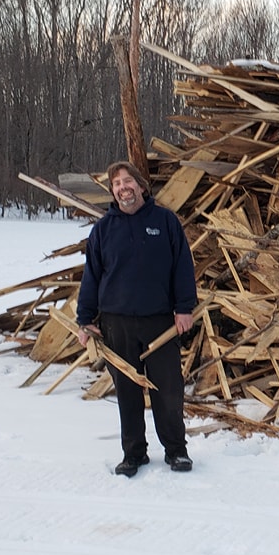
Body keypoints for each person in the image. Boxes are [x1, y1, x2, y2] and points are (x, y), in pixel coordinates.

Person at [75, 161, 198, 477]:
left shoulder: (165, 222)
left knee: (167, 390)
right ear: (113, 193)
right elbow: (91, 277)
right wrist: (85, 319)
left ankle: (176, 451)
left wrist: (184, 308)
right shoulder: (103, 230)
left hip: (160, 323)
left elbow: (182, 268)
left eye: (127, 181)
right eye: (116, 184)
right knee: (127, 394)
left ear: (142, 187)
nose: (122, 187)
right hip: (117, 324)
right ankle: (134, 454)